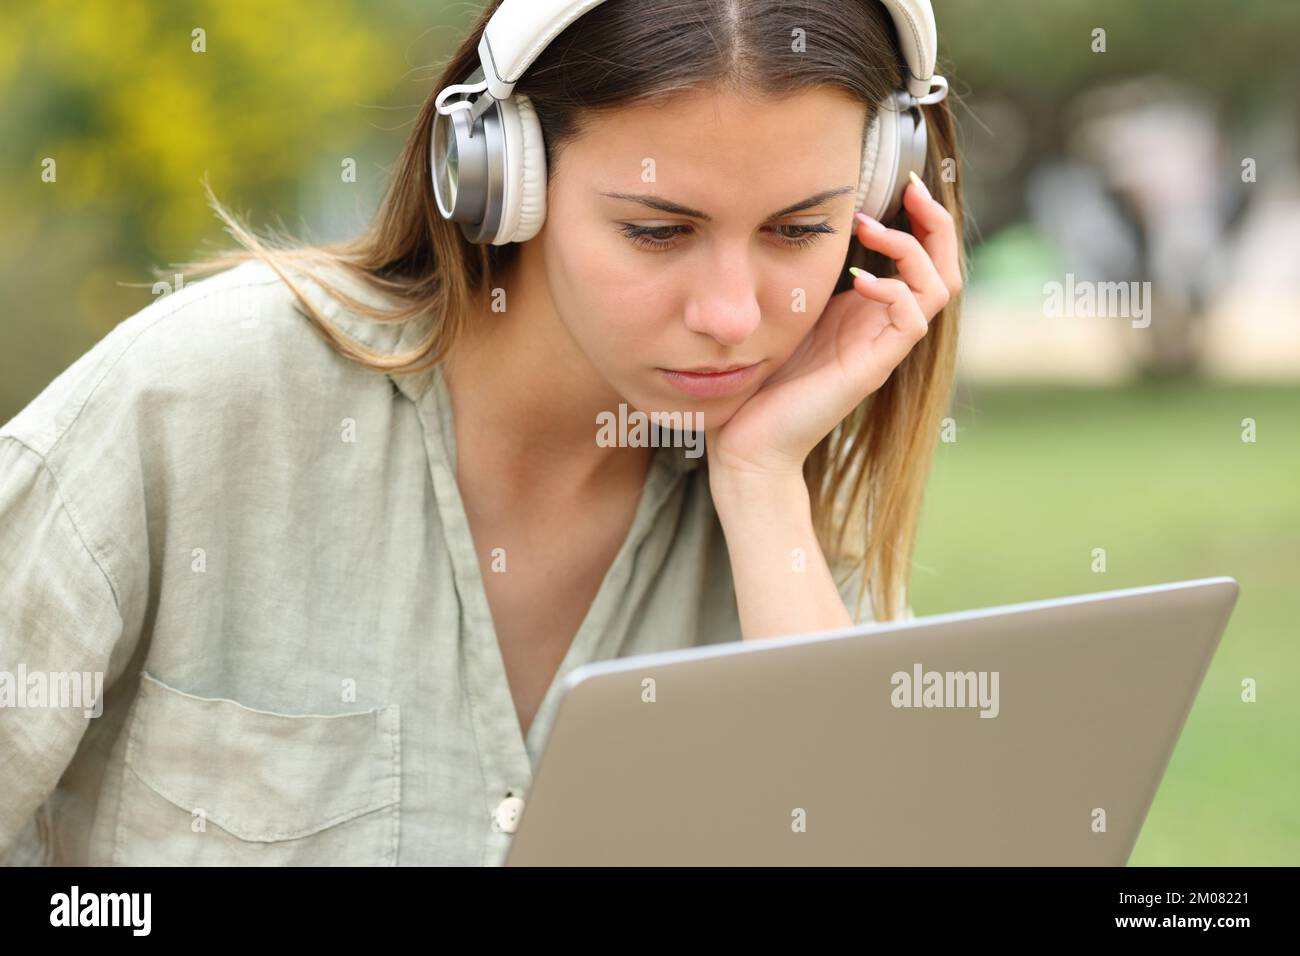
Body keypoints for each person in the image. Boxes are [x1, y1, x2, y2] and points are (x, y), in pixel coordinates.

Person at [0, 0, 964, 866]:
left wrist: (758, 483)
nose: (731, 316)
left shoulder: (787, 513)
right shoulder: (195, 399)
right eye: (658, 232)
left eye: (798, 232)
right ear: (502, 181)